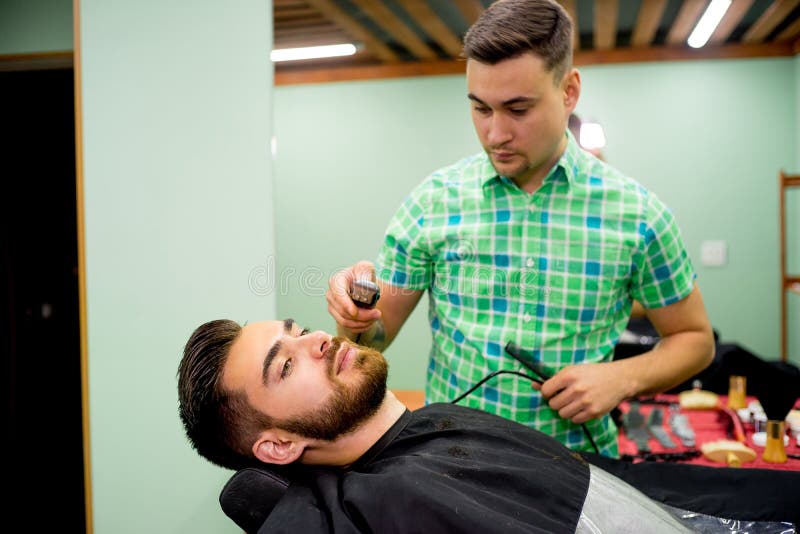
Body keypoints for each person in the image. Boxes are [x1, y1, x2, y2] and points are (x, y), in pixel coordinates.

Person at [326, 0, 715, 456]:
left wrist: (621, 378)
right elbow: (375, 339)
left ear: (569, 91)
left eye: (517, 109)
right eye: (480, 108)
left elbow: (695, 340)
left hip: (579, 471)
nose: (495, 133)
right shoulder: (432, 202)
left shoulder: (639, 215)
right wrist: (352, 318)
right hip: (451, 467)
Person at [177, 318, 799, 533]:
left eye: (296, 328)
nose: (315, 337)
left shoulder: (432, 427)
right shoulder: (388, 499)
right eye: (285, 363)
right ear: (279, 444)